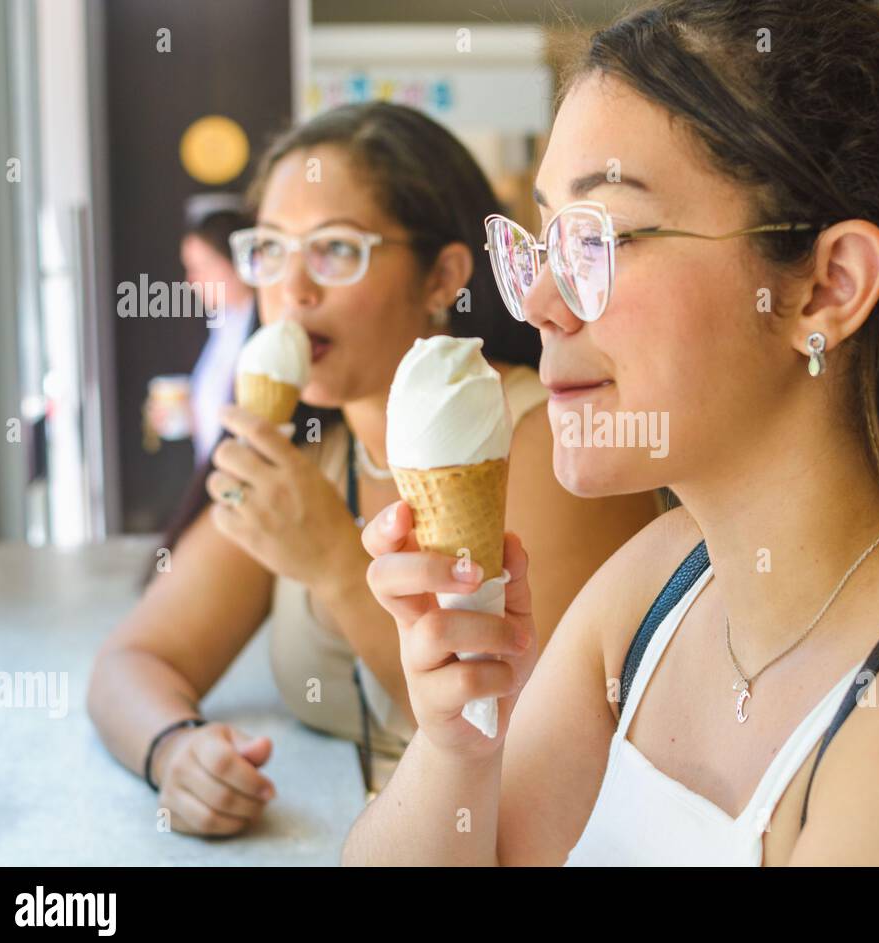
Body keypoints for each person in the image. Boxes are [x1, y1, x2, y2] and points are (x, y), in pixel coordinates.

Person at [347, 0, 879, 866]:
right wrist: (457, 747)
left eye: (602, 238)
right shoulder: (661, 582)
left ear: (826, 288)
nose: (542, 305)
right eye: (547, 241)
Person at [88, 102, 661, 837]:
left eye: (333, 251)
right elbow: (132, 659)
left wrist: (336, 565)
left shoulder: (550, 440)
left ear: (442, 277)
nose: (291, 290)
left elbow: (529, 746)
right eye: (269, 251)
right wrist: (175, 750)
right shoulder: (307, 461)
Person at [178, 202, 257, 465]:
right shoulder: (225, 323)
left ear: (237, 261)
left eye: (202, 267)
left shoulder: (264, 327)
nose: (192, 281)